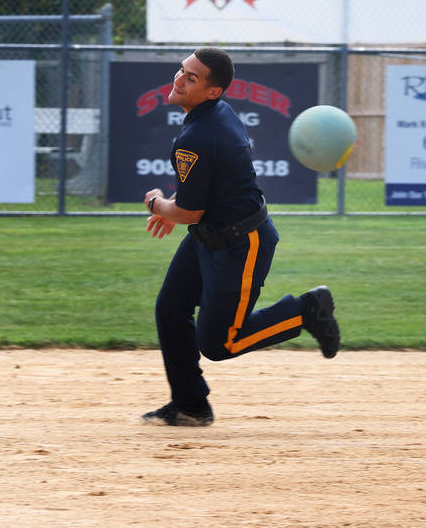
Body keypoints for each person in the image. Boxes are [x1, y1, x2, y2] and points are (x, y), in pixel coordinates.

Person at [139, 47, 340, 427]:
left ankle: (306, 310)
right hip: (211, 234)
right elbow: (207, 188)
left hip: (240, 244)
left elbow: (188, 213)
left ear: (213, 91)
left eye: (192, 78)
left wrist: (157, 204)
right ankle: (190, 405)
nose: (179, 79)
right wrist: (174, 208)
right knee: (171, 308)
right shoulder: (218, 114)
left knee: (220, 344)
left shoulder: (197, 135)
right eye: (182, 70)